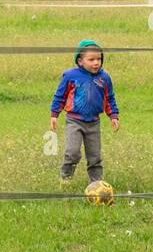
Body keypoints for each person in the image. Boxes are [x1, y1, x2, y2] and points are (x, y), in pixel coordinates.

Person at [50, 40, 119, 185]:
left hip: (94, 122)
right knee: (73, 153)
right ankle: (65, 178)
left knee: (95, 156)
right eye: (91, 60)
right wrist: (54, 114)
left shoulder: (104, 77)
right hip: (74, 121)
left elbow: (109, 97)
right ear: (80, 61)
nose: (96, 63)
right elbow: (60, 96)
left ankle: (96, 184)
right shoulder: (70, 76)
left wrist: (113, 116)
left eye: (99, 59)